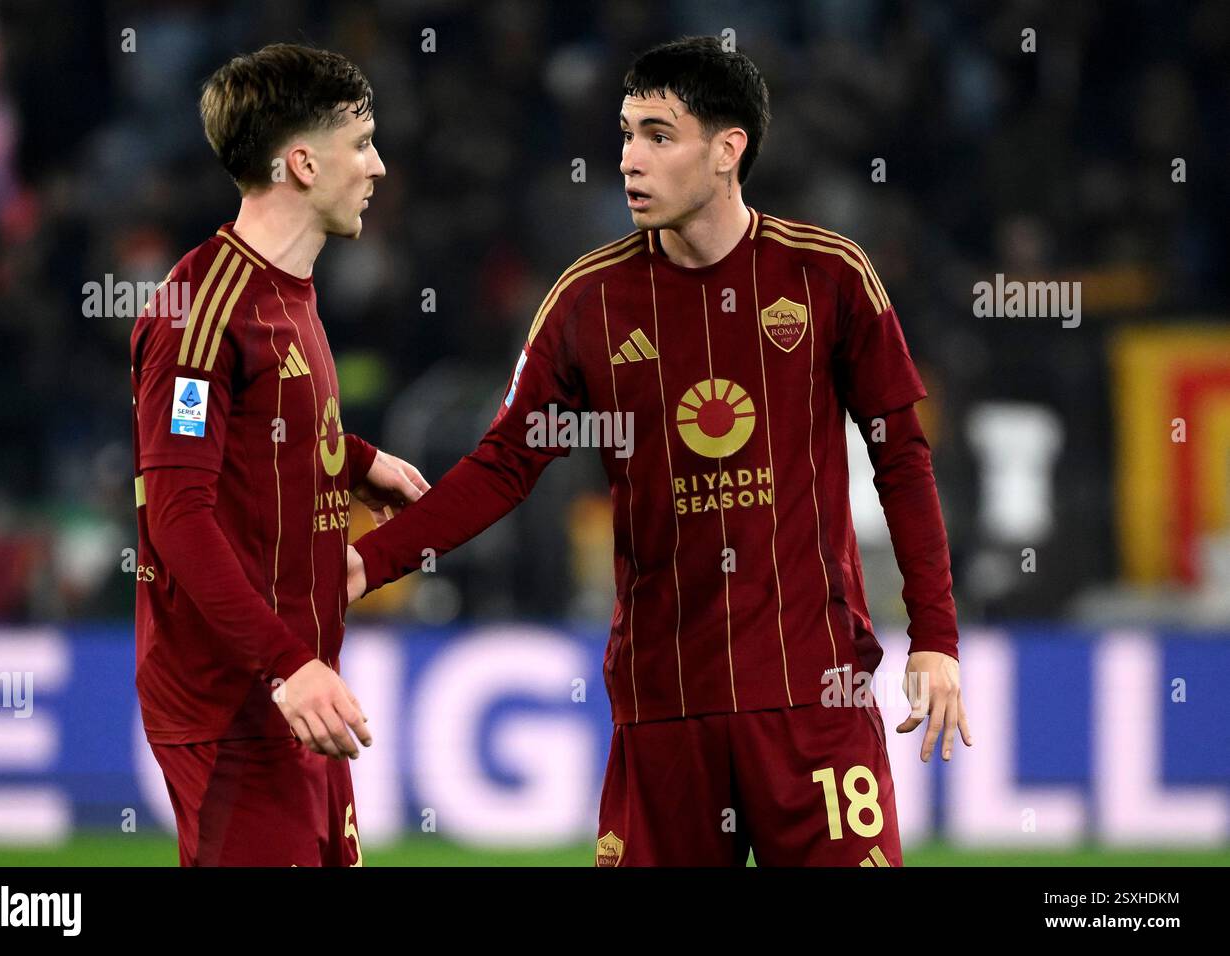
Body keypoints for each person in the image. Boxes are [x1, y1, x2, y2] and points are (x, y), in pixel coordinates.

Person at [353, 36, 972, 866]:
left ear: (727, 151)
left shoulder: (828, 275)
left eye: (656, 135)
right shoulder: (586, 301)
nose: (628, 160)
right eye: (623, 134)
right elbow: (505, 464)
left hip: (813, 698)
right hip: (663, 707)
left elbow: (902, 458)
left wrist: (934, 635)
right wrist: (371, 561)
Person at [130, 43, 427, 866]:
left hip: (295, 688)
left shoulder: (286, 292)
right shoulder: (203, 310)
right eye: (361, 143)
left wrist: (352, 454)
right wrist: (287, 665)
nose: (377, 165)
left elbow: (264, 424)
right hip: (239, 702)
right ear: (301, 162)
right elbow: (177, 515)